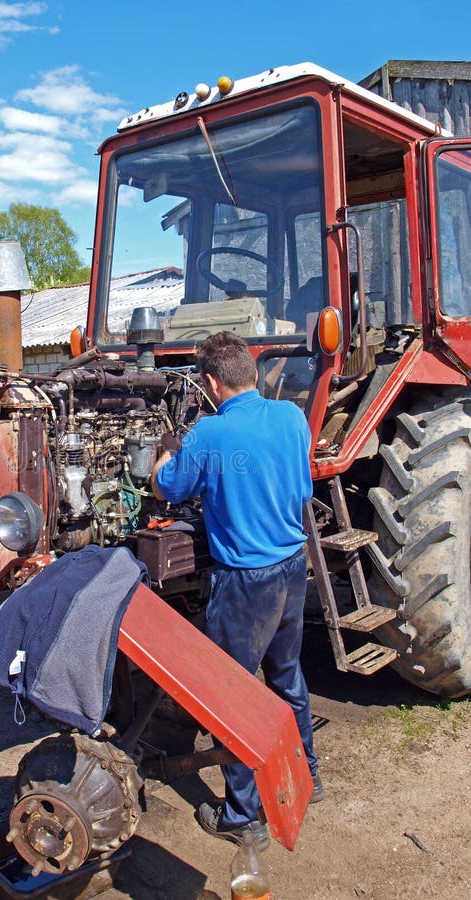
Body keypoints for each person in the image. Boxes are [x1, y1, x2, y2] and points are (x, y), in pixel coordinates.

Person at [151, 330, 323, 851]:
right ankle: (305, 774)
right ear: (252, 371)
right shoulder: (292, 417)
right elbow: (302, 488)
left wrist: (162, 459)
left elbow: (171, 490)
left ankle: (243, 814)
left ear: (210, 382)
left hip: (244, 581)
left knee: (231, 694)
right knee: (286, 676)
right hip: (292, 569)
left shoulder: (207, 433)